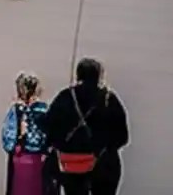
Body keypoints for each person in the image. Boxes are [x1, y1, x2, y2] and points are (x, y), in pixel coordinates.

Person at [44, 58, 130, 195]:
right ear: (99, 76)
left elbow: (49, 129)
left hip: (71, 167)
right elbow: (122, 137)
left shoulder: (65, 97)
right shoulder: (109, 99)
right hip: (104, 166)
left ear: (78, 75)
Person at [2, 72, 51, 195]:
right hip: (41, 159)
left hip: (20, 157)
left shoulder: (17, 110)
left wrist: (12, 148)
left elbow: (8, 137)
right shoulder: (45, 109)